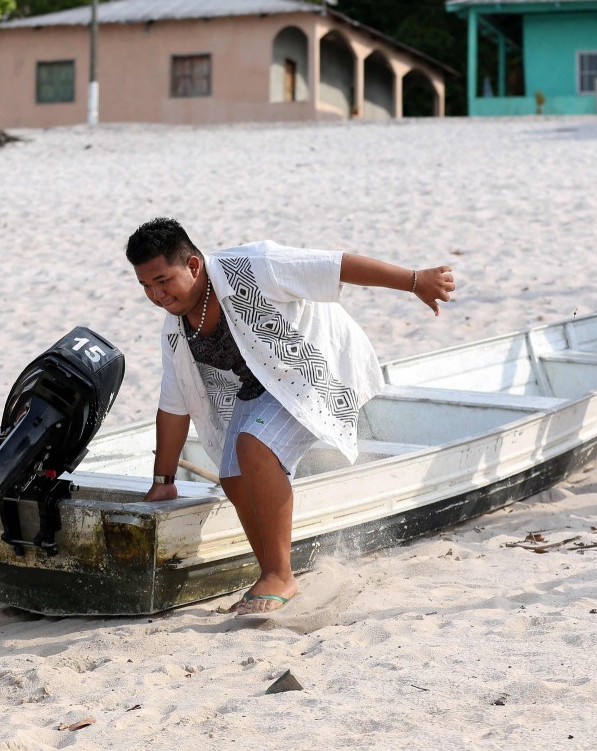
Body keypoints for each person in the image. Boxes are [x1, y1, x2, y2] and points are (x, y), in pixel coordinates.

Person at [126, 219, 454, 615]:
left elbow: (335, 265)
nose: (156, 295)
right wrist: (163, 481)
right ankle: (272, 573)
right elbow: (173, 403)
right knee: (232, 474)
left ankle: (281, 575)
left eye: (162, 280)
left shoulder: (253, 265)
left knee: (254, 448)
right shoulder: (175, 330)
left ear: (193, 266)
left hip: (311, 371)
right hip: (260, 386)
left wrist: (416, 280)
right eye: (146, 286)